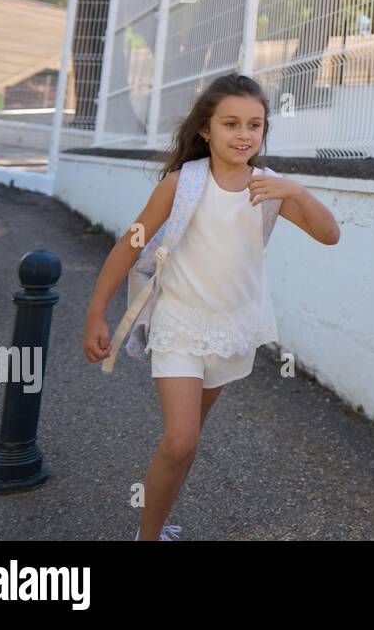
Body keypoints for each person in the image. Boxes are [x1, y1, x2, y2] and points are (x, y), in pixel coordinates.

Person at [82, 73, 340, 540]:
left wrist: (296, 192)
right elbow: (129, 246)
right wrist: (95, 314)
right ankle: (147, 537)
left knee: (187, 443)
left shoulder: (269, 188)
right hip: (178, 325)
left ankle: (158, 525)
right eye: (231, 124)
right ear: (206, 129)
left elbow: (329, 234)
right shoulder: (181, 185)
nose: (244, 135)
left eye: (255, 125)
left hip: (233, 330)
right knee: (180, 440)